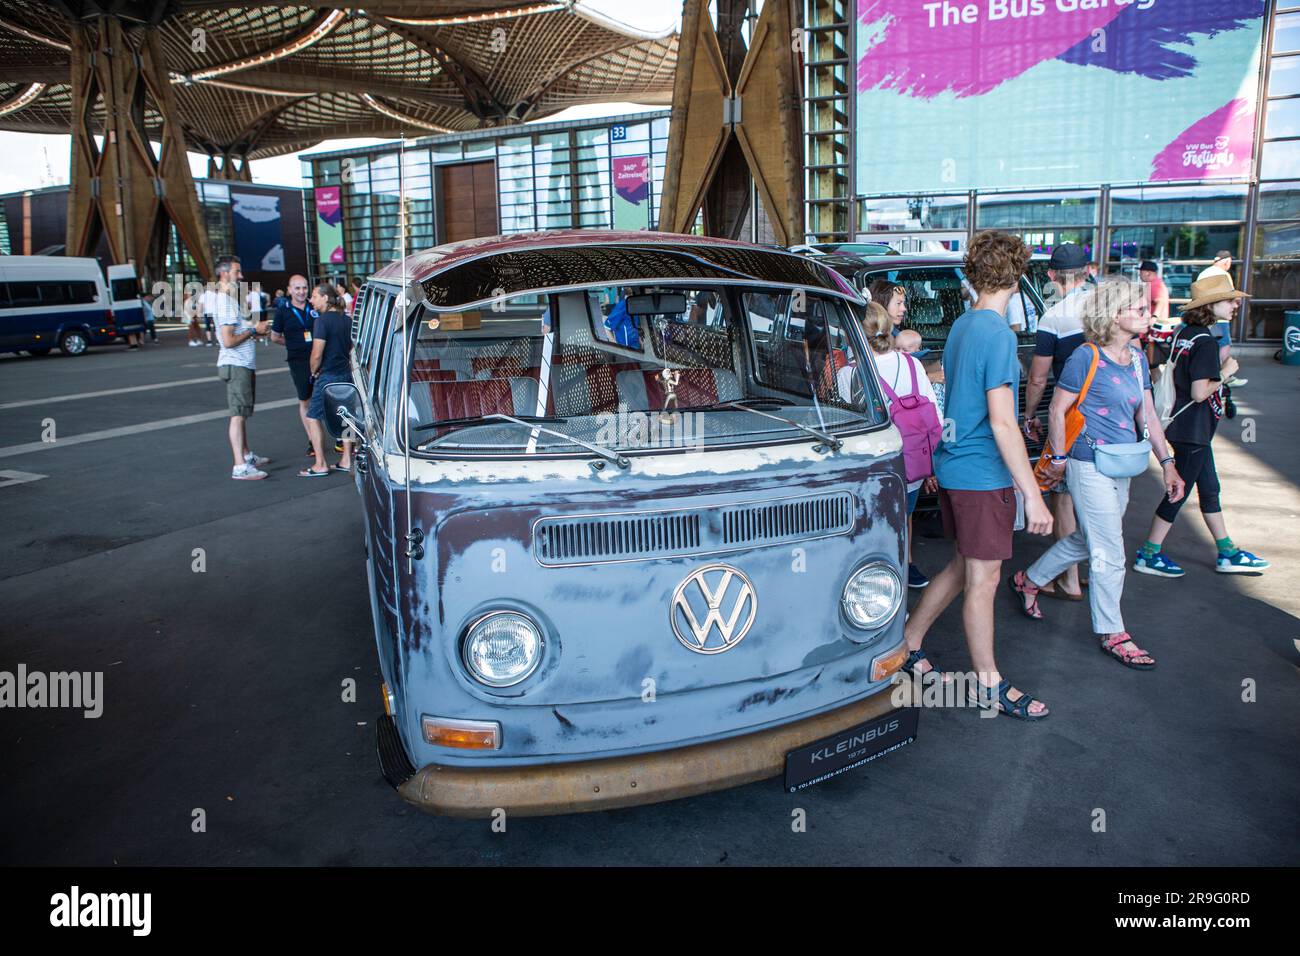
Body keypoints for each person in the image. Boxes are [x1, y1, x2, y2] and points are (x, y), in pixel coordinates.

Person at [901, 231, 1054, 720]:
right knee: (984, 578)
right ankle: (988, 683)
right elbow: (1003, 421)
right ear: (1017, 274)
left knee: (964, 565)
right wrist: (1033, 494)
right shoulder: (997, 333)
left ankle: (908, 644)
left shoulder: (966, 325)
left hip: (954, 465)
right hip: (980, 473)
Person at [1009, 278, 1185, 669]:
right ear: (1114, 314)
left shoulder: (1138, 359)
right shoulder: (1086, 357)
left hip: (1122, 462)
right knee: (1110, 551)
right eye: (1139, 309)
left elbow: (1149, 415)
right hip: (1087, 463)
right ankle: (1112, 631)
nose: (1147, 314)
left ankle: (1030, 579)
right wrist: (1057, 458)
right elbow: (1057, 410)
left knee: (1090, 538)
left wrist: (1168, 463)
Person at [1132, 274, 1269, 577]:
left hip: (1188, 429)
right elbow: (1198, 391)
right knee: (1179, 491)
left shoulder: (1187, 333)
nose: (1235, 305)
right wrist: (1226, 372)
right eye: (1230, 300)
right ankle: (1149, 553)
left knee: (1210, 489)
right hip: (1192, 430)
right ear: (1211, 305)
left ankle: (1227, 551)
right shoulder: (1206, 342)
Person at [839, 303, 940, 589]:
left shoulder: (851, 374)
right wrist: (931, 467)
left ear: (855, 334)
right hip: (912, 468)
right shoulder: (913, 364)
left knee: (870, 535)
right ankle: (903, 579)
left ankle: (877, 593)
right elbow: (936, 415)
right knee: (901, 525)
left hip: (873, 473)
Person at [1023, 242, 1090, 599]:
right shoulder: (1109, 308)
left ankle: (1067, 578)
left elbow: (1038, 377)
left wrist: (1030, 414)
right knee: (1098, 495)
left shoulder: (1054, 317)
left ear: (1050, 276)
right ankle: (1092, 564)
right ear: (1088, 271)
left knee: (1063, 495)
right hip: (1111, 419)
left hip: (1070, 418)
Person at [210, 255, 272, 480]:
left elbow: (233, 334)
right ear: (225, 274)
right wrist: (254, 330)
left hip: (240, 364)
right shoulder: (225, 302)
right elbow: (228, 340)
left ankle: (246, 456)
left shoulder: (227, 299)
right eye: (238, 272)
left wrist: (251, 329)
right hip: (236, 364)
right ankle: (240, 466)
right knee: (237, 415)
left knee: (242, 414)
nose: (241, 276)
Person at [301, 282, 355, 477]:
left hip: (327, 374)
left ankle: (320, 463)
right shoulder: (346, 320)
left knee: (313, 417)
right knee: (346, 417)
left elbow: (316, 354)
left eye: (314, 296)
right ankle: (347, 460)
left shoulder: (322, 321)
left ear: (325, 298)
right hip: (346, 374)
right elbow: (352, 349)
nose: (311, 300)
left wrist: (313, 371)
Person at [270, 274, 319, 457]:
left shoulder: (314, 307)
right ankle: (313, 440)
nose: (301, 292)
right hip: (298, 361)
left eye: (304, 288)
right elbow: (274, 337)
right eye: (297, 288)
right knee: (305, 400)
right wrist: (291, 344)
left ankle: (338, 437)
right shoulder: (283, 311)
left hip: (318, 358)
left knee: (324, 397)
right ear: (289, 290)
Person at [1138, 260, 1169, 325]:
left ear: (1148, 273)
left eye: (1141, 272)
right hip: (1156, 324)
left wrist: (1154, 318)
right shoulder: (1157, 283)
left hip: (1154, 325)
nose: (1139, 275)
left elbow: (1160, 302)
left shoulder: (1154, 285)